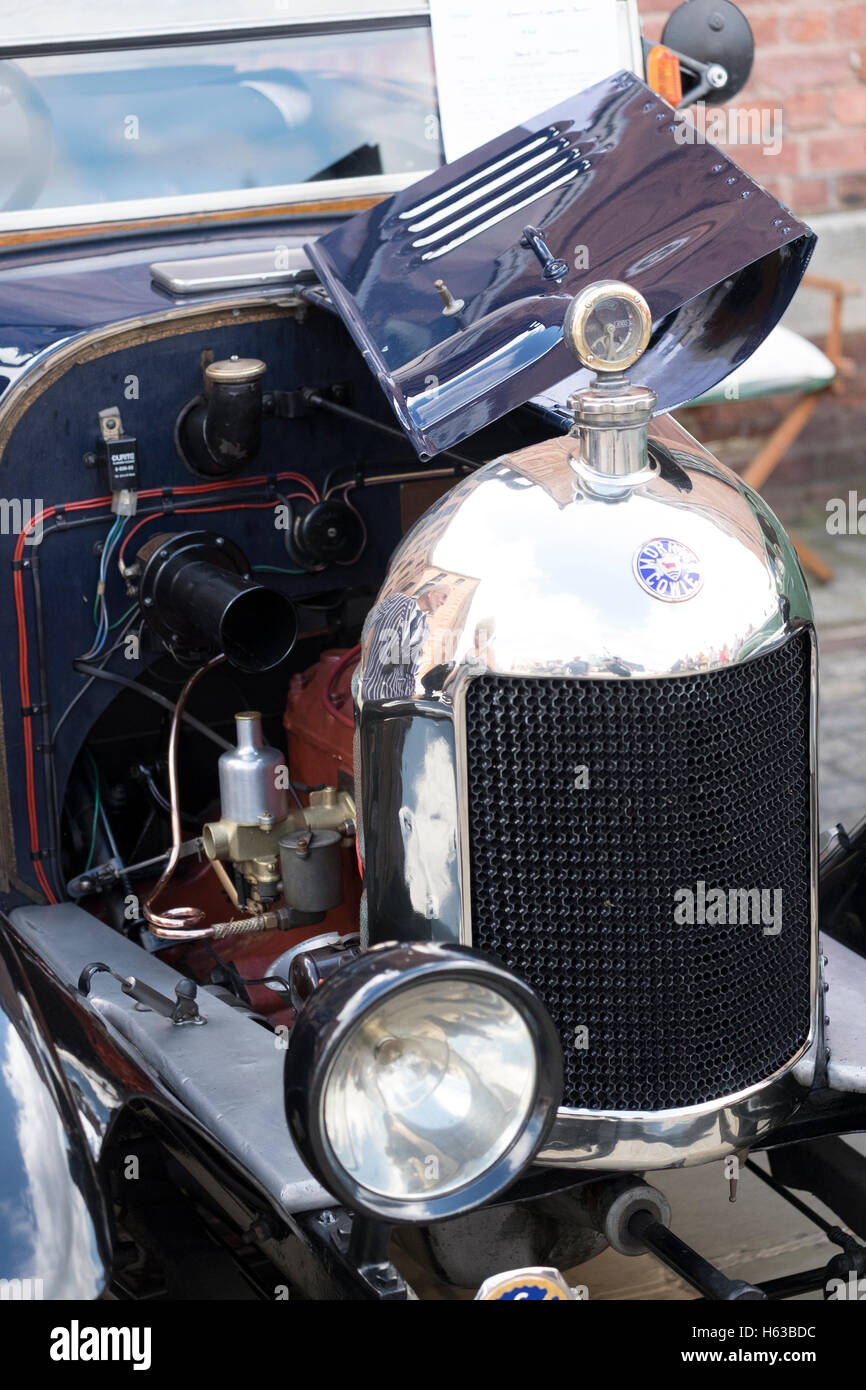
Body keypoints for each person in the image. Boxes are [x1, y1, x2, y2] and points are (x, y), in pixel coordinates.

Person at [363, 582, 450, 700]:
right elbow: (373, 632)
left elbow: (411, 670)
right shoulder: (399, 600)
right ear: (431, 592)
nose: (444, 603)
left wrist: (409, 698)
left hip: (395, 696)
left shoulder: (424, 630)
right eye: (444, 596)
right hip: (373, 688)